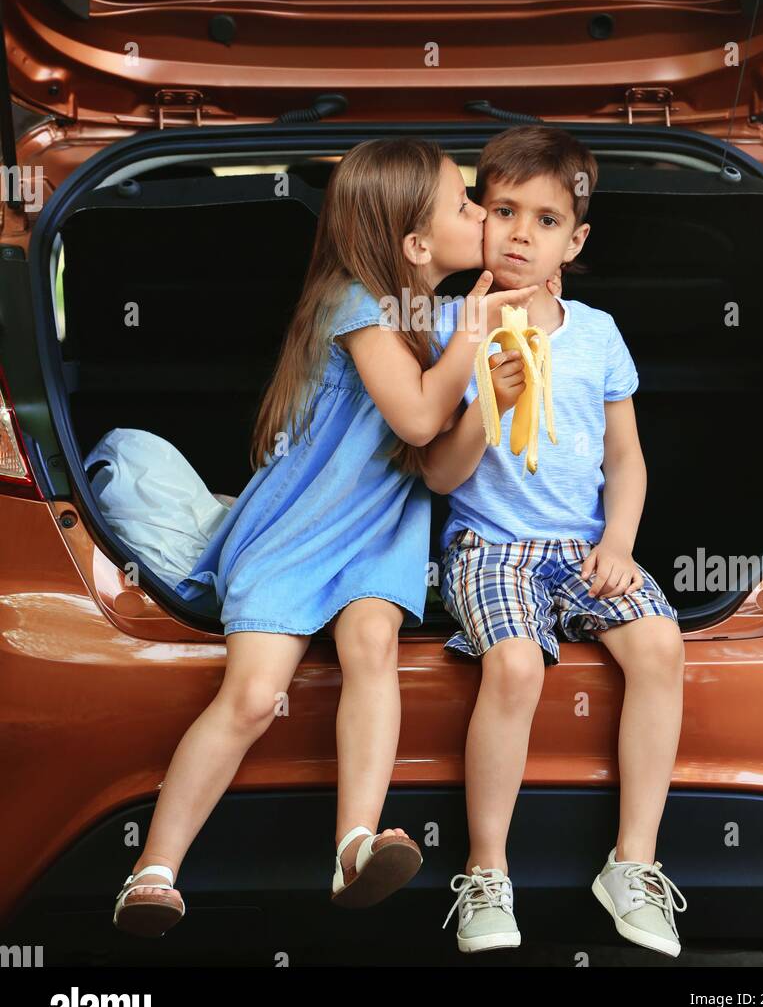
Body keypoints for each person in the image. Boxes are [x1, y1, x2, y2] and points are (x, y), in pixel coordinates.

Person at [112, 138, 554, 936]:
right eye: (467, 205)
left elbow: (440, 469)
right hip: (300, 533)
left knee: (372, 646)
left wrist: (491, 392)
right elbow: (419, 416)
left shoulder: (436, 322)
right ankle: (153, 867)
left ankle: (355, 841)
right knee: (250, 698)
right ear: (417, 248)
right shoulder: (357, 303)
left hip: (378, 534)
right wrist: (471, 347)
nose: (485, 216)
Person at [421, 125, 687, 957]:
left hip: (580, 547)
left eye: (544, 219)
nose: (520, 235)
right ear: (478, 219)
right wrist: (481, 399)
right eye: (502, 211)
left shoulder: (598, 334)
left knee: (660, 645)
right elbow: (438, 474)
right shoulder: (448, 327)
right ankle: (488, 871)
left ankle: (632, 863)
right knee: (515, 664)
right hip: (490, 546)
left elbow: (626, 456)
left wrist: (619, 540)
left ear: (574, 241)